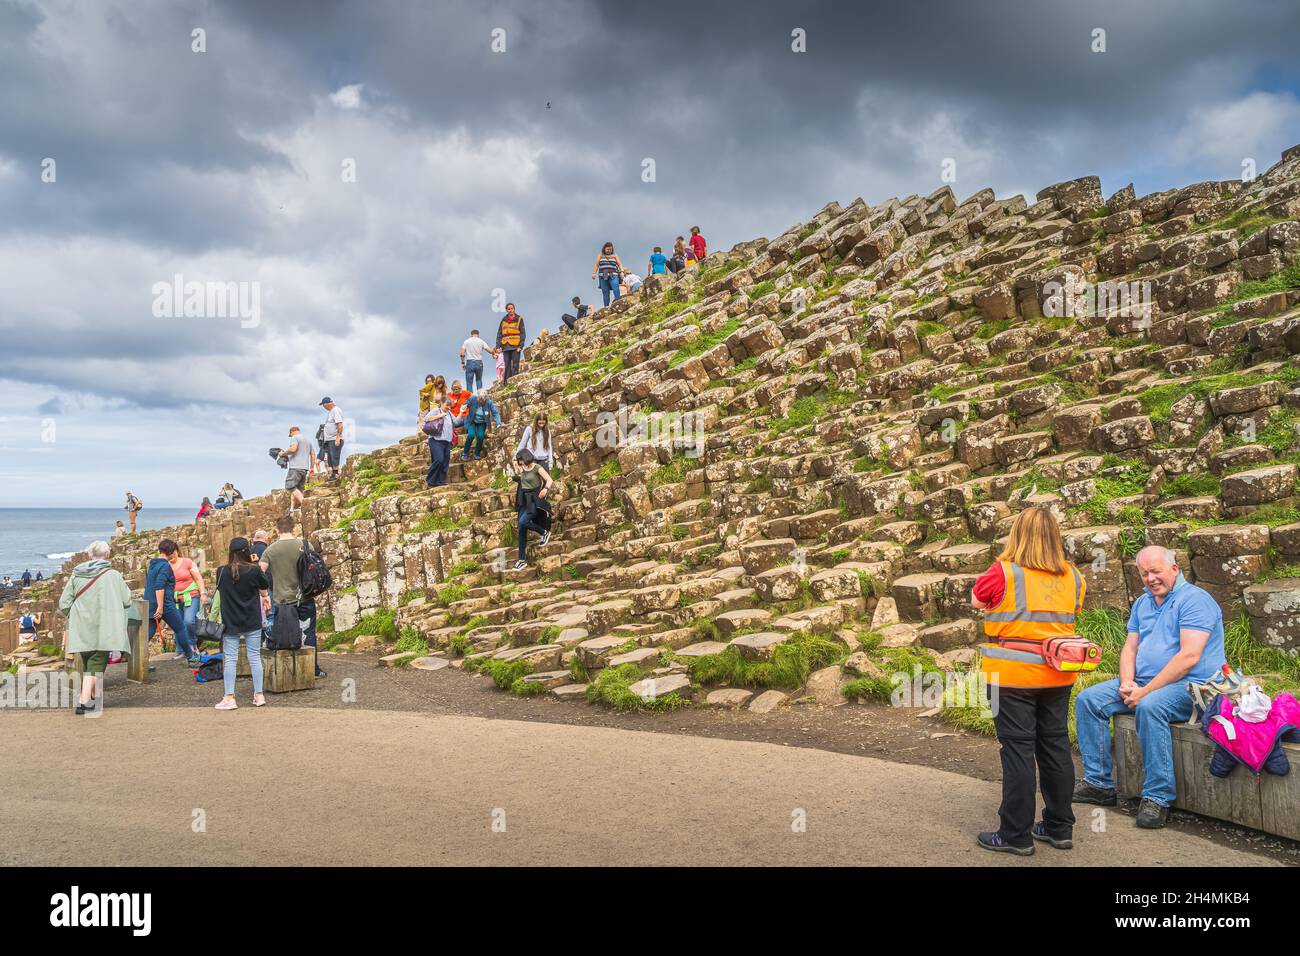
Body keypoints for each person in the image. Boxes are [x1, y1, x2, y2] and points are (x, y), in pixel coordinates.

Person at [1073, 545, 1227, 830]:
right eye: (1144, 573)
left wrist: (1144, 692)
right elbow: (1130, 648)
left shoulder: (1194, 600)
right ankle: (1099, 784)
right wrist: (1128, 682)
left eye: (1156, 571)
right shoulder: (1143, 603)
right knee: (1088, 700)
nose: (1150, 578)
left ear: (1174, 569)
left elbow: (1189, 657)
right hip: (1145, 682)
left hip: (1195, 686)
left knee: (1150, 706)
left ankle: (1158, 797)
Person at [972, 507, 1085, 856]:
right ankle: (1058, 827)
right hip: (1058, 674)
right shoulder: (1075, 577)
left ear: (1017, 534)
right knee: (1055, 747)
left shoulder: (1002, 571)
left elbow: (976, 600)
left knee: (1018, 750)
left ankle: (1015, 834)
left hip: (1009, 676)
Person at [58, 541, 133, 715]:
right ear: (107, 556)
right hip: (104, 627)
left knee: (89, 663)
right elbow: (127, 600)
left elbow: (64, 603)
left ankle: (94, 698)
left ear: (90, 556)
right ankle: (82, 702)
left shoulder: (76, 575)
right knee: (96, 663)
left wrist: (77, 615)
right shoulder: (113, 575)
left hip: (81, 627)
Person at [262, 514, 324, 678]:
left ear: (277, 530)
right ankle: (312, 670)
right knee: (309, 633)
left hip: (282, 601)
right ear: (294, 528)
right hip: (304, 597)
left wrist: (264, 594)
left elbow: (259, 573)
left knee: (284, 634)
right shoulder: (304, 544)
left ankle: (287, 672)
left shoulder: (270, 550)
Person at [214, 536, 271, 710]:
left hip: (230, 620)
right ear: (248, 551)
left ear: (231, 553)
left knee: (230, 659)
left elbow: (219, 590)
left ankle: (229, 697)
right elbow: (265, 585)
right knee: (254, 657)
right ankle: (259, 695)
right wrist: (254, 563)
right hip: (252, 619)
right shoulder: (253, 570)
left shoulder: (221, 571)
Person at [147, 539, 195, 663]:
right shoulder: (165, 566)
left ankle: (132, 655)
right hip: (165, 605)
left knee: (148, 632)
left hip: (150, 603)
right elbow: (159, 586)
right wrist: (161, 607)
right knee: (180, 628)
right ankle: (191, 656)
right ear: (172, 552)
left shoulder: (153, 565)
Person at [511, 449, 553, 571]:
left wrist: (545, 489)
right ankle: (521, 560)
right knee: (521, 529)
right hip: (523, 500)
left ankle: (544, 532)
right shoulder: (522, 467)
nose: (521, 464)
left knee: (522, 522)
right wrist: (517, 475)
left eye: (522, 461)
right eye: (519, 462)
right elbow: (522, 478)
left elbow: (549, 480)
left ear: (527, 457)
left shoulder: (536, 467)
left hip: (534, 500)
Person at [170, 544, 208, 661]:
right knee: (178, 624)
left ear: (176, 550)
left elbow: (198, 578)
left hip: (192, 596)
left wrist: (203, 593)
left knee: (188, 621)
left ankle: (192, 645)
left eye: (172, 552)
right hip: (176, 598)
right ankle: (182, 650)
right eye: (168, 553)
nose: (171, 555)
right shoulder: (166, 566)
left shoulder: (187, 562)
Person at [462, 388, 501, 461]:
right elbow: (466, 403)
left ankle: (477, 453)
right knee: (471, 435)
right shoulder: (473, 398)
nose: (480, 401)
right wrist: (465, 406)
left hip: (482, 422)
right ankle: (465, 453)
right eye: (479, 399)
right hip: (472, 421)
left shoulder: (489, 403)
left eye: (482, 400)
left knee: (480, 436)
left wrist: (498, 423)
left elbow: (495, 413)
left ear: (485, 399)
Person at [423, 396, 454, 487]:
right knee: (439, 460)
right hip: (435, 440)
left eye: (450, 406)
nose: (448, 407)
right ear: (441, 403)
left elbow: (456, 421)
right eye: (447, 405)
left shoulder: (449, 413)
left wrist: (461, 412)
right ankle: (430, 480)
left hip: (447, 441)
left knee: (445, 461)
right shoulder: (436, 410)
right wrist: (439, 416)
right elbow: (426, 419)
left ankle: (440, 480)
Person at [283, 425, 313, 510]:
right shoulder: (308, 440)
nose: (291, 437)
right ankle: (292, 509)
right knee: (298, 489)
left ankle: (306, 505)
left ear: (292, 432)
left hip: (295, 467)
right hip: (304, 468)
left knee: (290, 486)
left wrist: (283, 454)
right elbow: (312, 454)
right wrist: (312, 468)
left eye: (290, 435)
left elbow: (293, 449)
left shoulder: (294, 438)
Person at [496, 303, 526, 383]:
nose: (510, 310)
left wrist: (521, 345)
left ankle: (515, 381)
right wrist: (498, 347)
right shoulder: (503, 320)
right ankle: (506, 383)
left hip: (515, 345)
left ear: (514, 309)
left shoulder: (519, 319)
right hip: (505, 345)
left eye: (512, 308)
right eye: (509, 309)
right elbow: (499, 334)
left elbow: (523, 333)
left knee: (515, 364)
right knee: (507, 365)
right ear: (506, 310)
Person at [591, 242, 624, 306]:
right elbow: (596, 265)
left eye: (610, 249)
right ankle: (606, 307)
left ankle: (619, 303)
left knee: (616, 288)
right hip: (603, 275)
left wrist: (622, 272)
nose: (609, 251)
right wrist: (594, 273)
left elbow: (620, 264)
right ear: (604, 249)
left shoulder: (615, 256)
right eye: (608, 249)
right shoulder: (600, 255)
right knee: (605, 292)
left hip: (613, 274)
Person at [319, 397, 345, 480]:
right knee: (330, 457)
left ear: (327, 404)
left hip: (334, 438)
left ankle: (336, 474)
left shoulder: (336, 410)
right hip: (329, 439)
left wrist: (338, 437)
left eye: (323, 405)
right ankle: (333, 474)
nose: (323, 407)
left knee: (335, 456)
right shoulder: (331, 411)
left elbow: (340, 425)